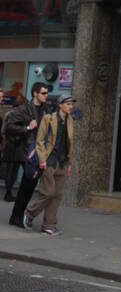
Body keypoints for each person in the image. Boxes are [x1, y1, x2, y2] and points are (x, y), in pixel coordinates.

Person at [23, 96, 76, 236]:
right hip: (49, 160)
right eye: (68, 104)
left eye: (71, 104)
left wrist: (69, 163)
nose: (71, 107)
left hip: (63, 162)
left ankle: (48, 225)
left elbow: (69, 144)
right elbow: (39, 141)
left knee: (57, 195)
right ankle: (29, 214)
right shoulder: (48, 118)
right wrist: (42, 159)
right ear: (60, 105)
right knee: (47, 193)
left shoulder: (70, 120)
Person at [6, 84, 50, 225]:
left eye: (47, 93)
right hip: (25, 151)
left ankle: (17, 216)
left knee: (30, 185)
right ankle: (16, 216)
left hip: (37, 152)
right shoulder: (23, 109)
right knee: (27, 183)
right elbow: (9, 126)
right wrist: (27, 128)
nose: (46, 95)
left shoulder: (45, 110)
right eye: (43, 93)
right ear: (35, 94)